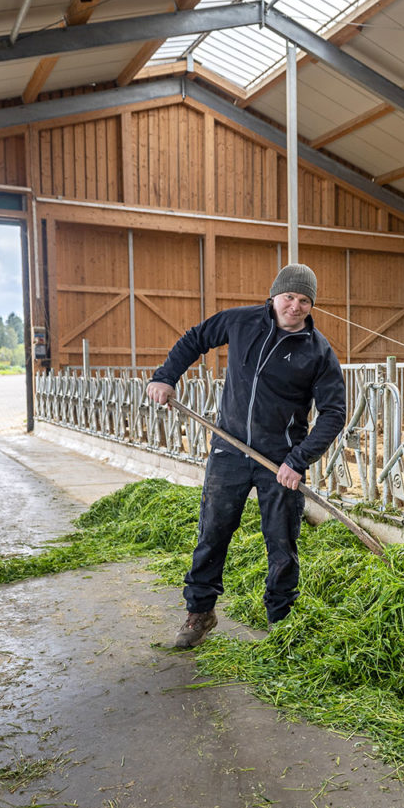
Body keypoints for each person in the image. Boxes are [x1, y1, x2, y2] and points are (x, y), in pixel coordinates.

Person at [146, 263, 346, 648]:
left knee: (282, 542)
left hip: (280, 462)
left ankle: (281, 621)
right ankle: (200, 612)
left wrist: (298, 460)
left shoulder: (318, 351)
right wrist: (165, 376)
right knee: (213, 531)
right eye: (289, 297)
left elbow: (334, 413)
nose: (296, 306)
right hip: (230, 449)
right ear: (274, 296)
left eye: (304, 301)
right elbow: (195, 338)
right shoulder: (240, 322)